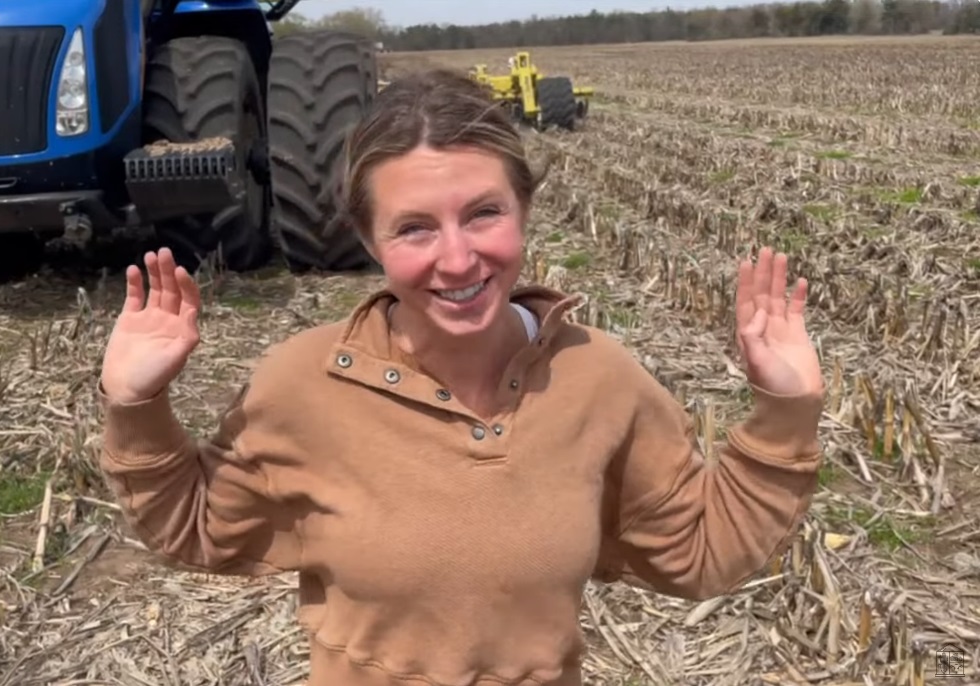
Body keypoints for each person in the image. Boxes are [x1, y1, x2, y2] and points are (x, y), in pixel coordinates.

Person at [96, 68, 825, 686]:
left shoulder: (597, 378)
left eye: (483, 213)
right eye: (414, 228)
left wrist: (785, 410)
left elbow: (700, 554)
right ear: (368, 240)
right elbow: (196, 530)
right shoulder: (302, 385)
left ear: (526, 210)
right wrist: (137, 403)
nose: (457, 259)